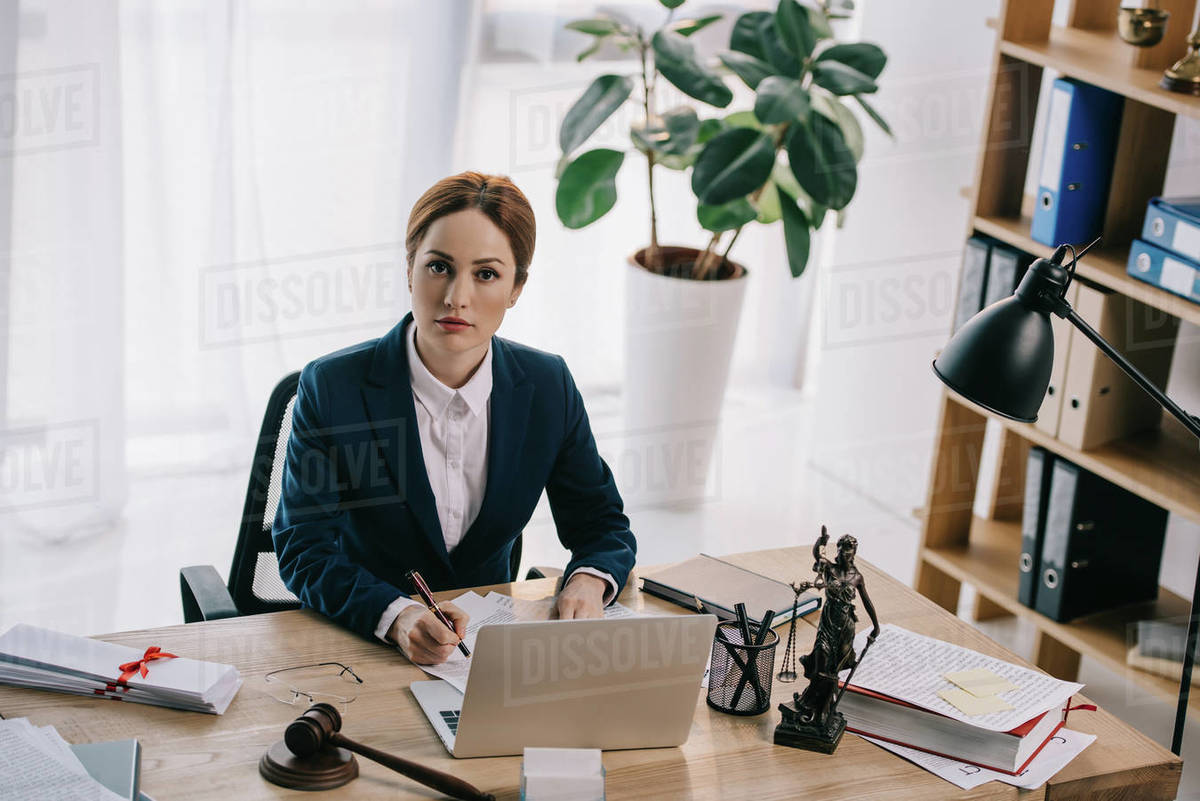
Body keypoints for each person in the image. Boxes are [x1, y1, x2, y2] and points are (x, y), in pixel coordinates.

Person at [272, 171, 636, 666]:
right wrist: (396, 616)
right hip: (362, 647)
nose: (456, 297)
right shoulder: (333, 387)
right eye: (439, 267)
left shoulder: (547, 385)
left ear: (516, 288)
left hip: (487, 655)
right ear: (409, 270)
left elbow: (601, 523)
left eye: (486, 274)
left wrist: (589, 581)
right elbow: (303, 548)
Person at [791, 526, 880, 727]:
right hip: (828, 622)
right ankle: (811, 706)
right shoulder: (829, 569)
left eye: (847, 553)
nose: (842, 555)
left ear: (853, 555)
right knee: (822, 661)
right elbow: (817, 553)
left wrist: (876, 625)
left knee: (834, 670)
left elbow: (867, 602)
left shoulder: (857, 577)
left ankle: (823, 710)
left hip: (846, 626)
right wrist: (822, 539)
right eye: (840, 551)